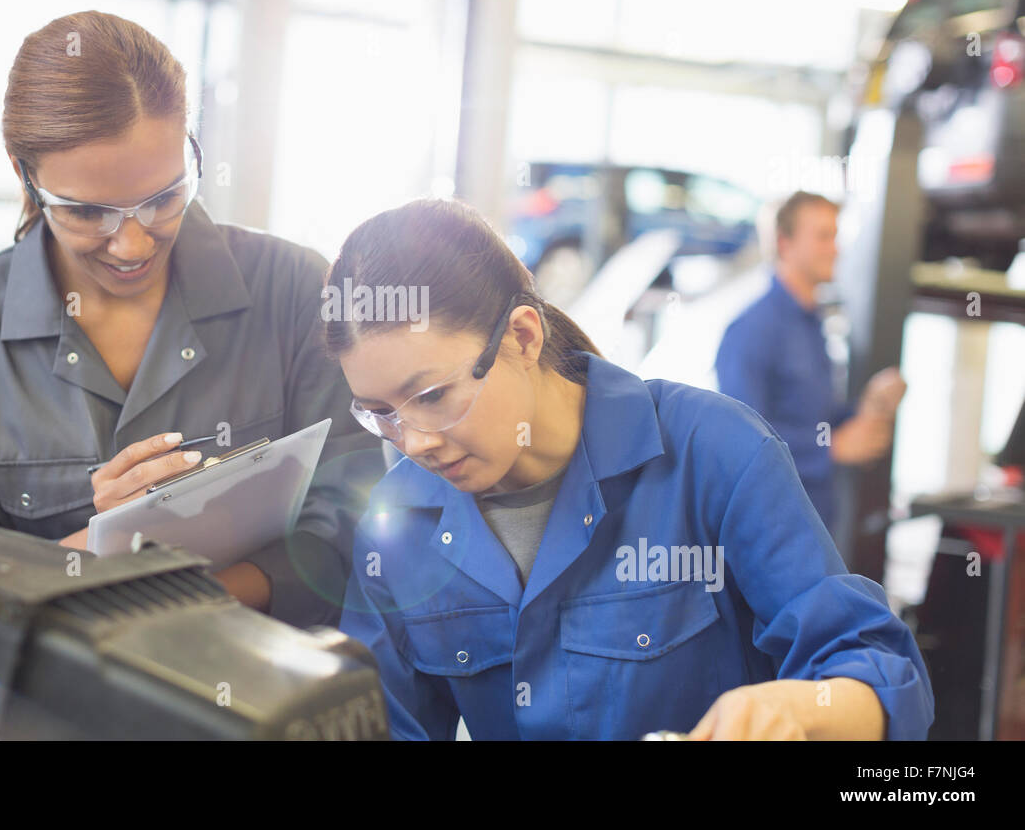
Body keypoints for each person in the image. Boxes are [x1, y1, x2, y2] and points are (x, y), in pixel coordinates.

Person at [326, 198, 933, 740]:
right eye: (382, 415)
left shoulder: (710, 453)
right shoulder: (400, 521)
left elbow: (878, 668)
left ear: (523, 336)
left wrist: (799, 710)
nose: (417, 441)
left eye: (431, 395)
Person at [0, 10, 380, 628]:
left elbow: (352, 521)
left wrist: (194, 599)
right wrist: (92, 548)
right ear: (24, 176)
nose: (133, 244)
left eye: (164, 199)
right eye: (88, 213)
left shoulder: (295, 292)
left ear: (191, 152)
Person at [716, 191, 906, 535]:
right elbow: (740, 439)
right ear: (785, 243)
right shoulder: (751, 330)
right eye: (823, 236)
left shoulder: (812, 326)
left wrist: (867, 407)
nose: (836, 249)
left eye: (835, 236)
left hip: (812, 524)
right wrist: (831, 449)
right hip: (767, 531)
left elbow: (814, 420)